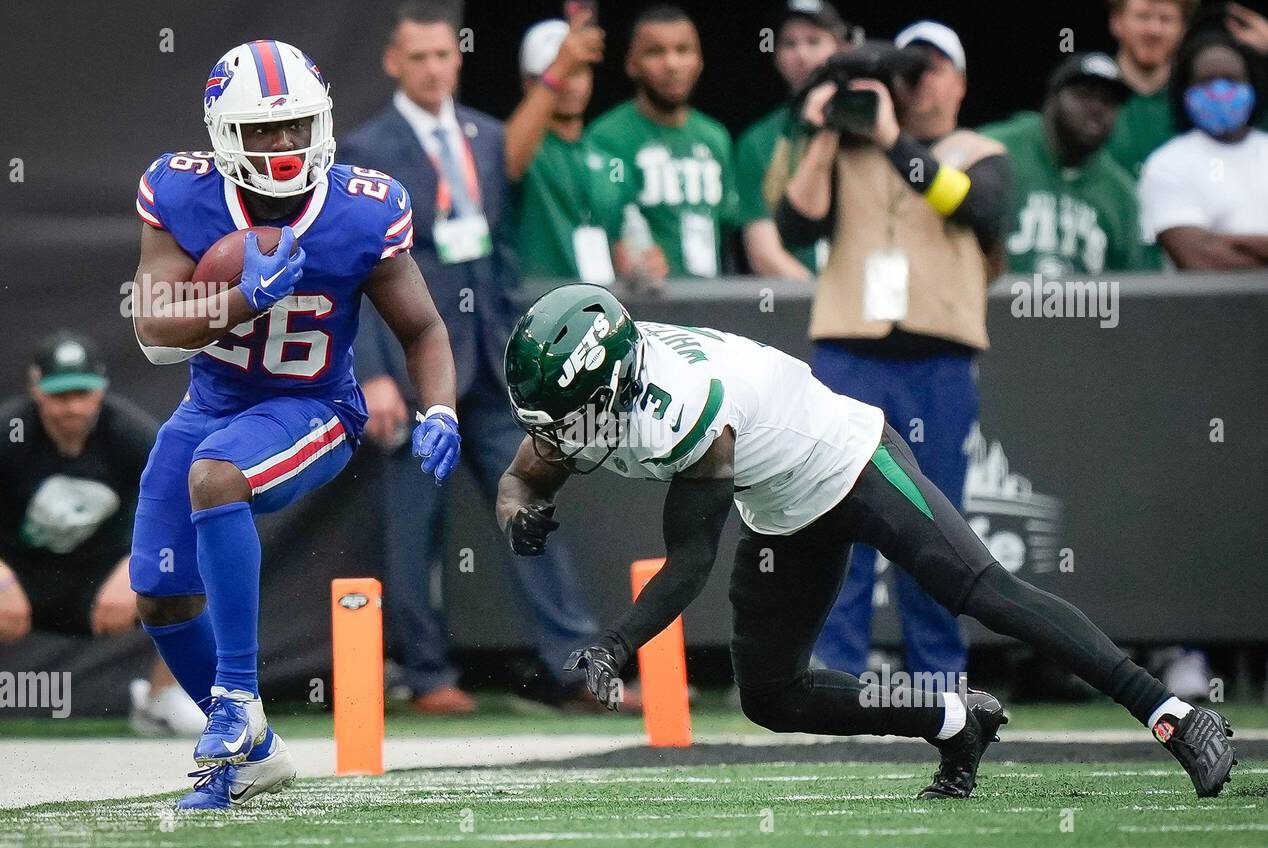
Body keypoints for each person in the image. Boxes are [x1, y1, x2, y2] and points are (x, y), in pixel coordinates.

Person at [495, 283, 1237, 800]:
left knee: (979, 591)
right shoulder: (587, 403)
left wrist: (617, 645)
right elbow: (523, 478)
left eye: (571, 416)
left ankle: (1173, 714)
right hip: (784, 508)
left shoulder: (685, 406)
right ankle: (954, 717)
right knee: (772, 696)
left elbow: (691, 559)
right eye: (550, 420)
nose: (557, 438)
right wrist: (517, 512)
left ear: (620, 383)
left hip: (853, 459)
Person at [130, 39, 461, 809]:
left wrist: (438, 407)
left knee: (217, 474)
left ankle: (237, 706)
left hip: (316, 407)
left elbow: (423, 329)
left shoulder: (362, 207)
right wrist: (240, 301)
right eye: (263, 130)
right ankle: (258, 756)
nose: (284, 144)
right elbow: (150, 326)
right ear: (222, 134)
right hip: (212, 403)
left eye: (297, 126)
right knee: (160, 593)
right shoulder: (181, 192)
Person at [338, 2, 610, 714]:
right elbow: (355, 271)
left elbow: (498, 226)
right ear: (394, 63)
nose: (433, 68)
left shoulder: (484, 135)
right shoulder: (366, 147)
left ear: (458, 58)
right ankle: (426, 675)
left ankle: (575, 668)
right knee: (413, 528)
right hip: (415, 365)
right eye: (418, 57)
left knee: (531, 505)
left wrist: (559, 72)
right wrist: (370, 372)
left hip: (491, 362)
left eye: (443, 55)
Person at [776, 21, 1009, 682]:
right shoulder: (849, 146)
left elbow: (975, 210)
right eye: (906, 71)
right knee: (836, 512)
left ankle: (940, 675)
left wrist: (888, 137)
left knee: (934, 523)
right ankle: (834, 671)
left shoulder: (979, 152)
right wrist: (826, 130)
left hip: (937, 360)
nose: (917, 82)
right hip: (851, 353)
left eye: (931, 68)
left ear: (960, 81)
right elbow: (795, 223)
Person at [0, 333, 201, 736]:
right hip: (10, 578)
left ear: (101, 390)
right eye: (60, 396)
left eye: (82, 393)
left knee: (196, 566)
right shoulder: (8, 430)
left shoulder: (128, 431)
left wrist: (134, 566)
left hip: (100, 582)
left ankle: (160, 698)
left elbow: (183, 510)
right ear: (36, 390)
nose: (72, 407)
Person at [585, 5, 740, 278]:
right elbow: (600, 224)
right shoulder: (606, 136)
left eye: (683, 50)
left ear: (699, 60)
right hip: (641, 303)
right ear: (631, 64)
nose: (671, 64)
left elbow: (728, 231)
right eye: (655, 52)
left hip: (712, 300)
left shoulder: (716, 137)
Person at [982, 53, 1146, 275]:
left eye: (1108, 101)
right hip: (995, 305)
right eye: (1084, 95)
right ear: (1052, 98)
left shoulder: (1122, 194)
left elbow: (1131, 294)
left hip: (1082, 309)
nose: (1096, 108)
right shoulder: (995, 149)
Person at [736, 1, 849, 277]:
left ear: (841, 48)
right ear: (775, 55)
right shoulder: (758, 141)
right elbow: (764, 253)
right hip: (798, 305)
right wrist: (821, 301)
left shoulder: (869, 125)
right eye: (789, 44)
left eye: (814, 41)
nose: (801, 55)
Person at [505, 12, 622, 281]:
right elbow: (508, 160)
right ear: (528, 84)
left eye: (577, 71)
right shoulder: (523, 149)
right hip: (535, 307)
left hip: (600, 304)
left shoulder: (605, 154)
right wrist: (560, 67)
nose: (569, 83)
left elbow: (619, 236)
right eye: (557, 72)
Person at [1139, 26, 1268, 268]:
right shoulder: (1168, 163)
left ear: (1251, 86)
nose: (1220, 91)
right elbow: (1199, 259)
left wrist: (1221, 240)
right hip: (1205, 306)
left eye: (1231, 80)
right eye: (1207, 81)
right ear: (1185, 92)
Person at [1105, 0, 1197, 179]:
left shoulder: (1197, 102)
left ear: (1182, 30)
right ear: (1116, 22)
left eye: (1166, 19)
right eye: (1143, 17)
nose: (1154, 30)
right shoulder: (1088, 97)